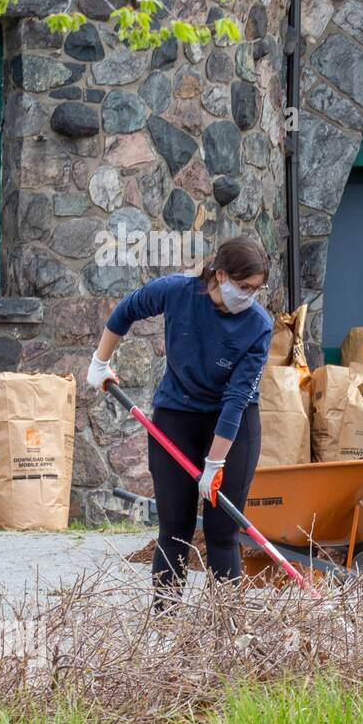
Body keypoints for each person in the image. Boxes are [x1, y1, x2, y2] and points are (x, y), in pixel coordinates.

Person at [86, 236, 273, 611]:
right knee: (174, 529)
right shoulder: (176, 292)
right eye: (245, 287)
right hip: (177, 416)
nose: (250, 296)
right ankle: (166, 624)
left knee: (222, 531)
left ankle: (227, 628)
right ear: (220, 275)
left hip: (232, 424)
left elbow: (236, 399)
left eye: (257, 289)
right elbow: (126, 310)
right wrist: (100, 361)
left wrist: (215, 463)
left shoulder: (258, 326)